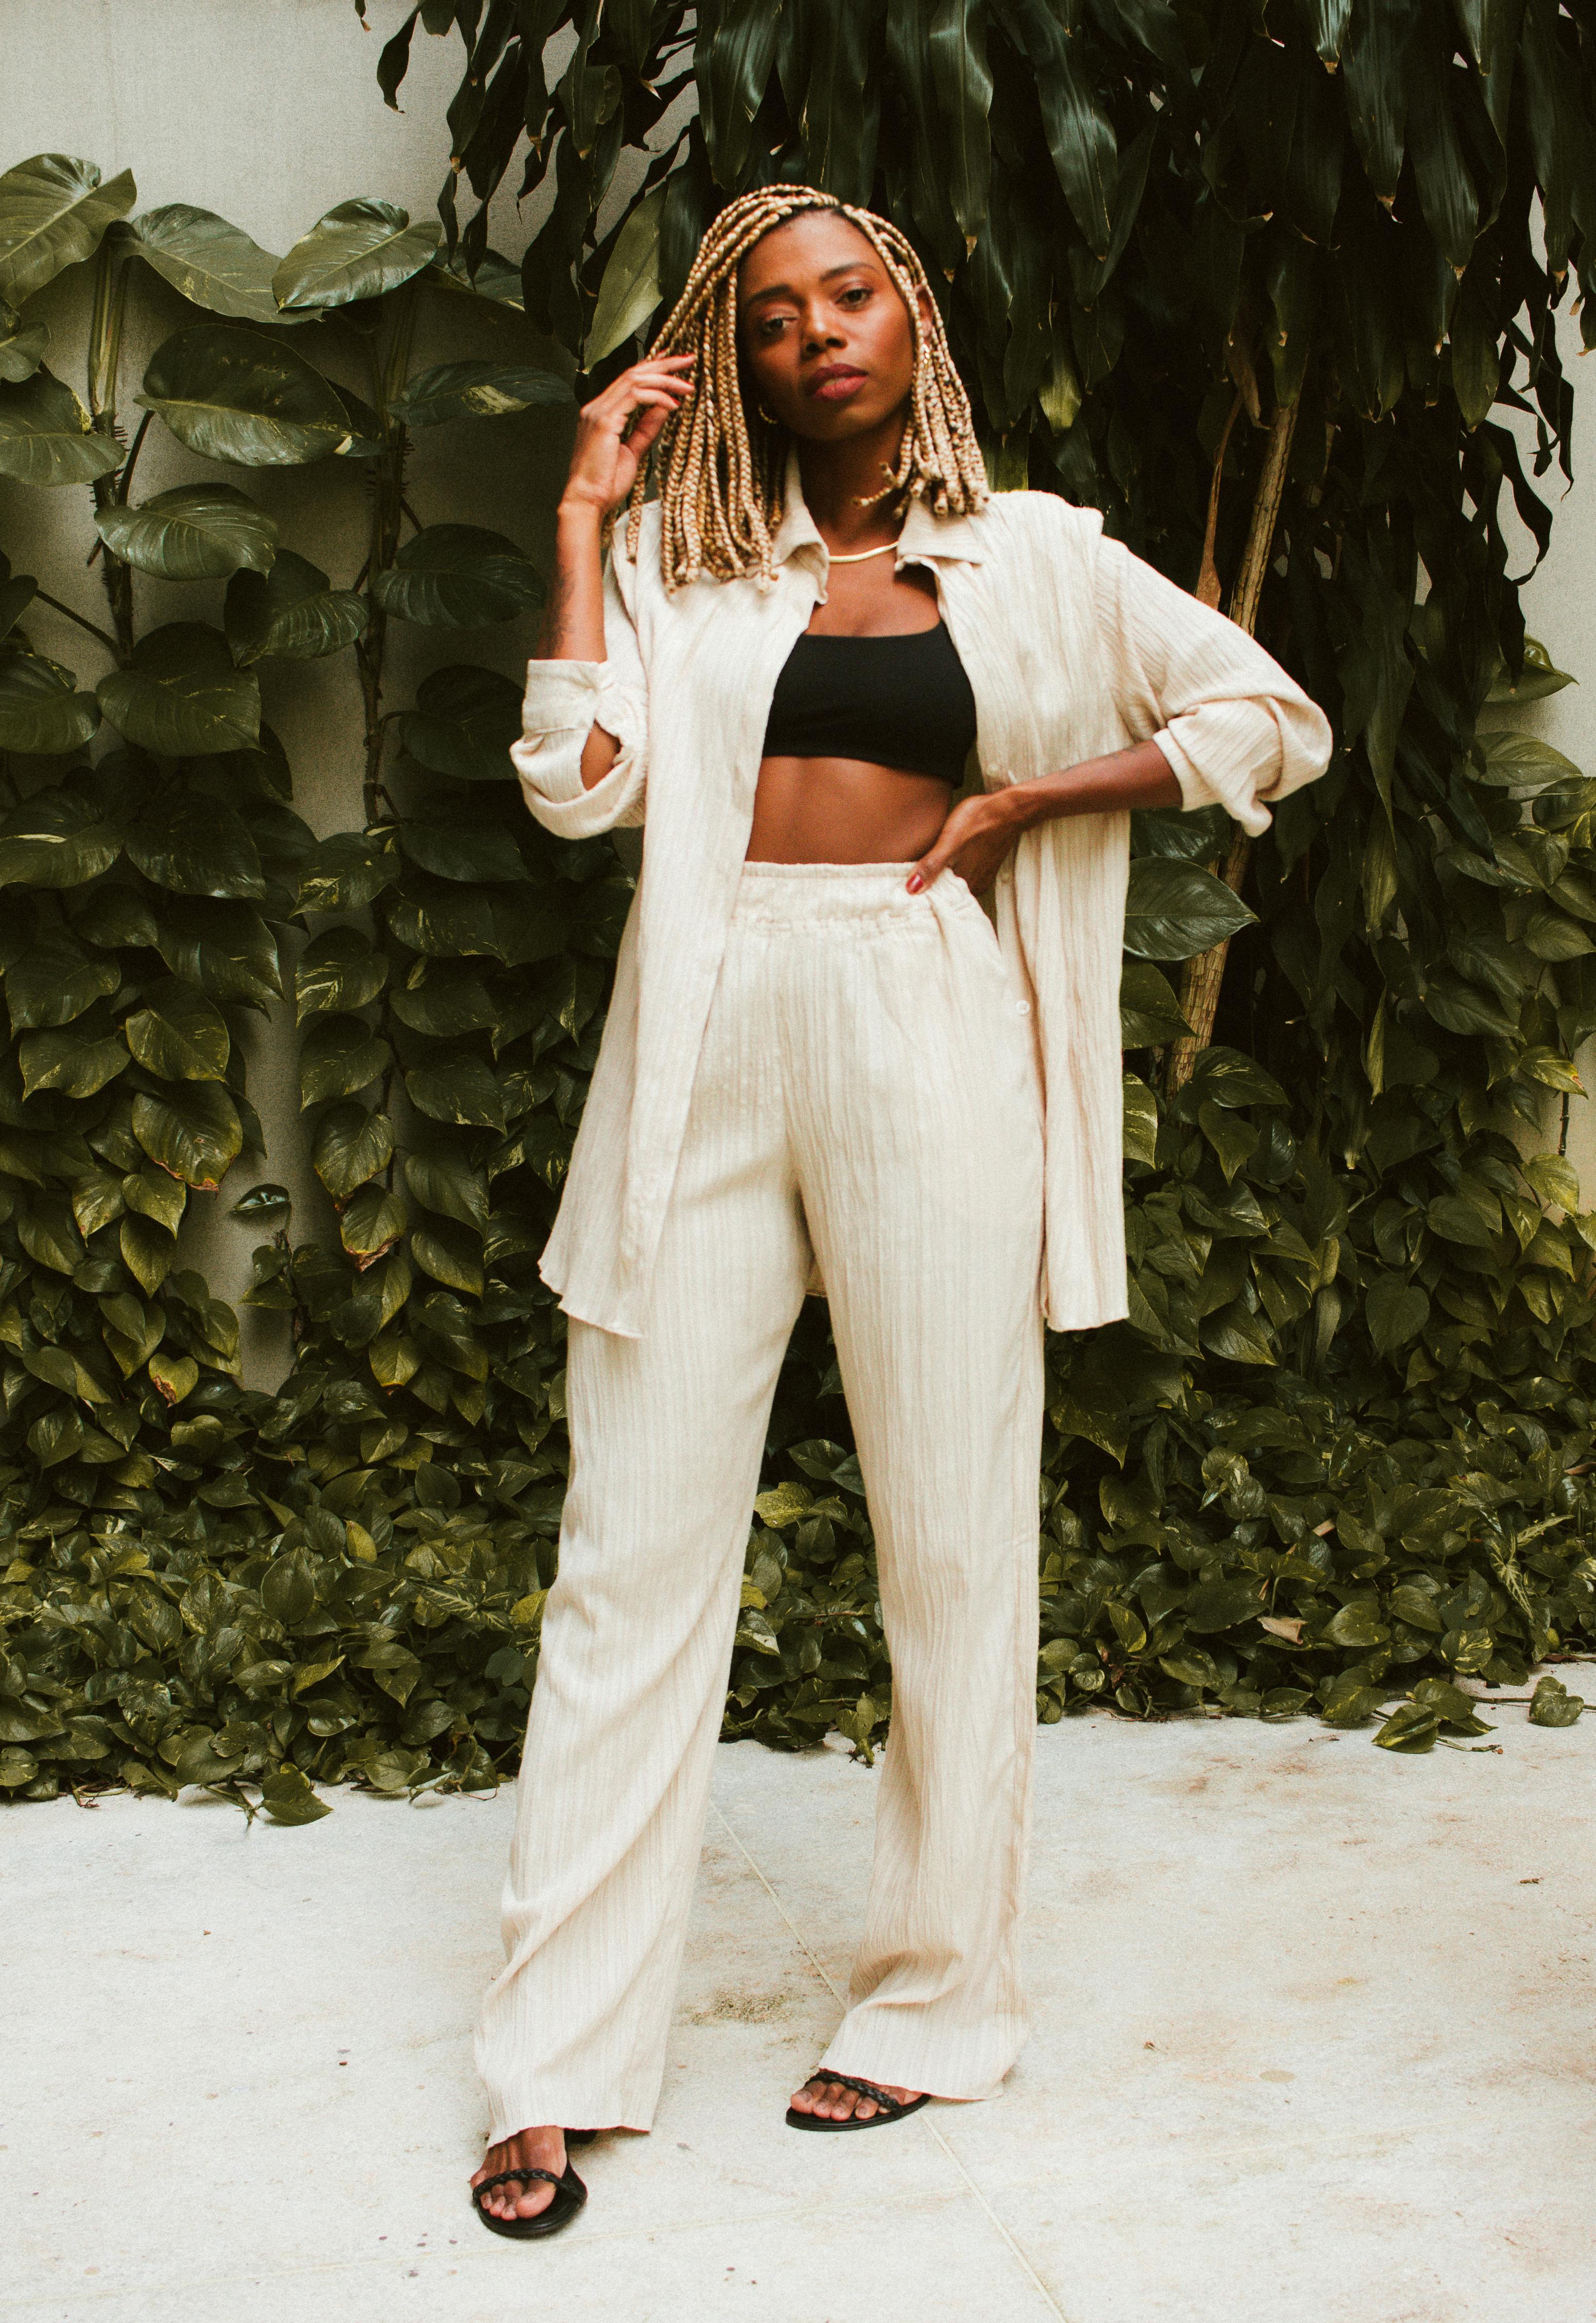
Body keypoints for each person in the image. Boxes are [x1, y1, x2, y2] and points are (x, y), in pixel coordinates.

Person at [469, 183, 1331, 2238]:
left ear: (908, 318)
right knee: (627, 1556)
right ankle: (551, 2064)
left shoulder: (1030, 560)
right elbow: (576, 788)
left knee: (953, 1537)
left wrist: (1040, 795)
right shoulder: (690, 568)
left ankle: (936, 2002)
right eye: (770, 319)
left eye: (846, 297)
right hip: (705, 1022)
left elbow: (1264, 720)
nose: (813, 337)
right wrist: (586, 521)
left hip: (927, 1003)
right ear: (734, 363)